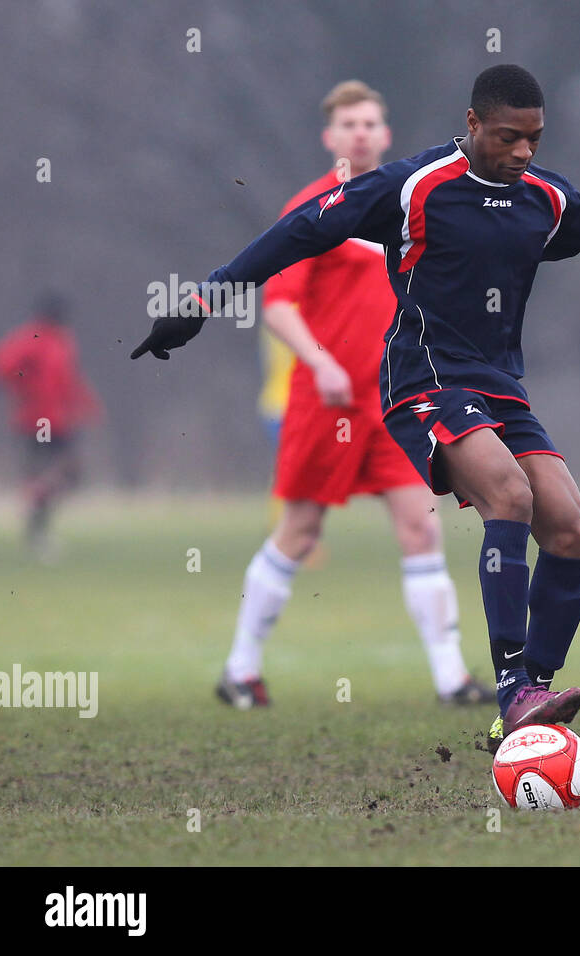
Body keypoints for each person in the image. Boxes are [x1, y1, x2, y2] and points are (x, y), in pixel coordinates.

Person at [132, 65, 580, 745]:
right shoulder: (412, 186)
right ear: (474, 123)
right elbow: (302, 230)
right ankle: (511, 689)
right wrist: (204, 301)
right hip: (422, 378)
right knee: (508, 495)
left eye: (534, 139)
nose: (522, 152)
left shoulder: (546, 198)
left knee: (572, 531)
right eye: (509, 137)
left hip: (501, 387)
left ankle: (528, 691)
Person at [214, 80, 487, 710]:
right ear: (330, 137)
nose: (360, 133)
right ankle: (240, 670)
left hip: (396, 401)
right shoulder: (315, 208)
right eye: (349, 125)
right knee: (301, 530)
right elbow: (276, 305)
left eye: (370, 123)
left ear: (386, 134)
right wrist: (321, 363)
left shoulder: (408, 205)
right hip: (326, 402)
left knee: (421, 530)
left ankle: (451, 680)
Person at [0, 293, 102, 560]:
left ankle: (35, 510)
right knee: (56, 471)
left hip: (57, 419)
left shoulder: (61, 341)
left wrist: (86, 406)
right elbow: (4, 366)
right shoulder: (32, 339)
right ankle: (36, 526)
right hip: (37, 420)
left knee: (66, 473)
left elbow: (69, 380)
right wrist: (26, 388)